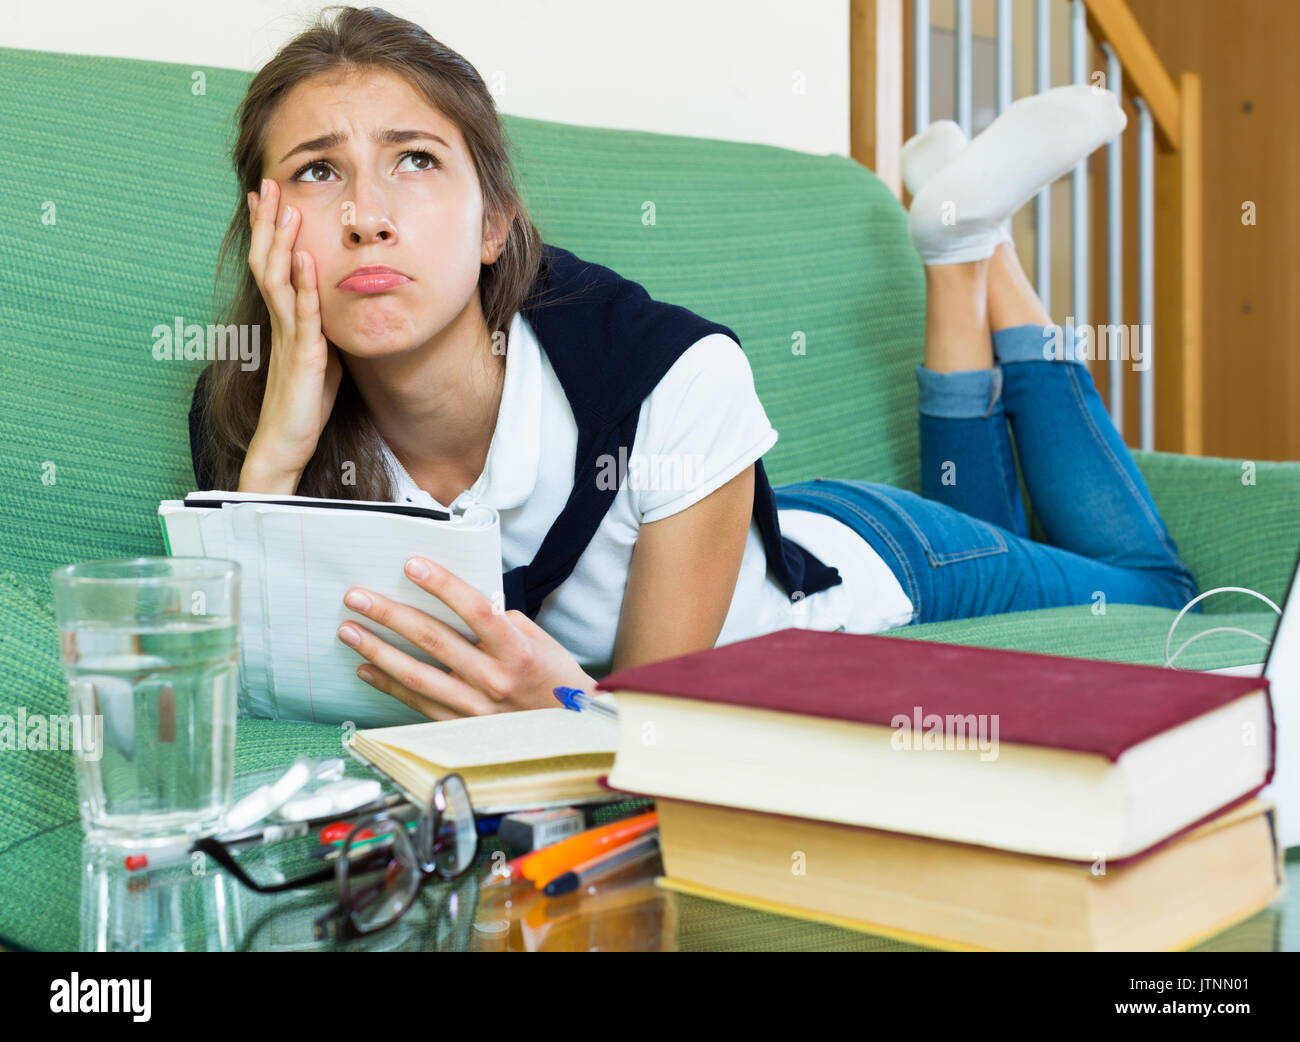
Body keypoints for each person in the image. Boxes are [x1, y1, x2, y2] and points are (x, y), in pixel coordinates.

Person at [189, 6, 1198, 723]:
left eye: (414, 159)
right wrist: (276, 452)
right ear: (265, 224)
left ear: (495, 219)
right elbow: (243, 690)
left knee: (1157, 590)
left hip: (871, 563)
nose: (366, 213)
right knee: (1009, 522)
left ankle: (976, 255)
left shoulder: (671, 375)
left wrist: (564, 709)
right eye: (317, 171)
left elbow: (650, 735)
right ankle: (963, 242)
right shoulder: (252, 408)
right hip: (733, 529)